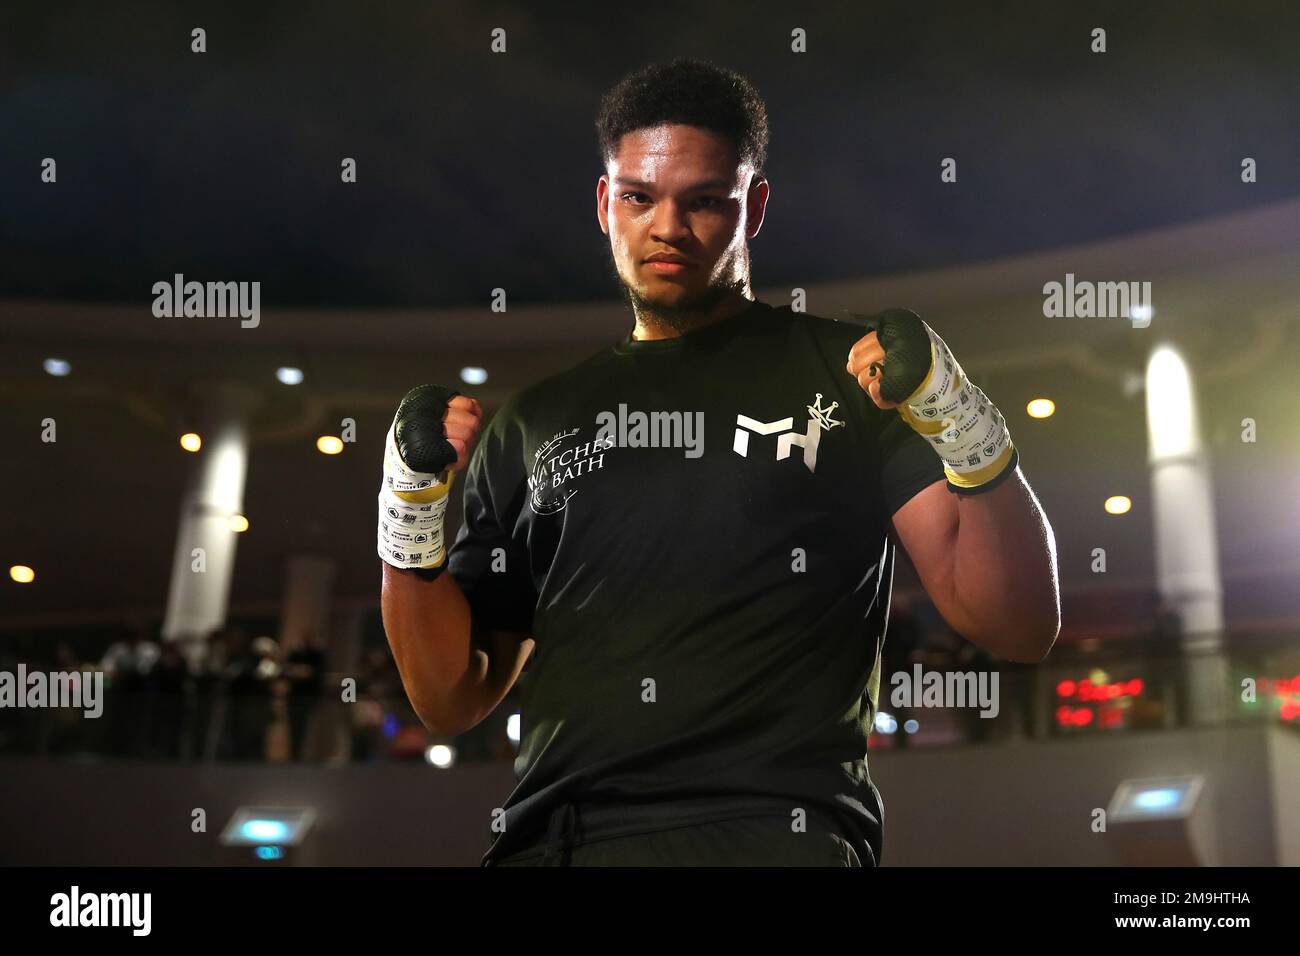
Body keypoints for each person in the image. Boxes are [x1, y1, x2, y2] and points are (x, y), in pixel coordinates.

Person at [377, 58, 1060, 867]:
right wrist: (410, 508)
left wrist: (962, 421)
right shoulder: (535, 421)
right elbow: (451, 695)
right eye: (639, 197)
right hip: (554, 841)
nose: (667, 227)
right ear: (605, 204)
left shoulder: (853, 374)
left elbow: (1016, 625)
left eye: (704, 200)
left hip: (774, 834)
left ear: (754, 208)